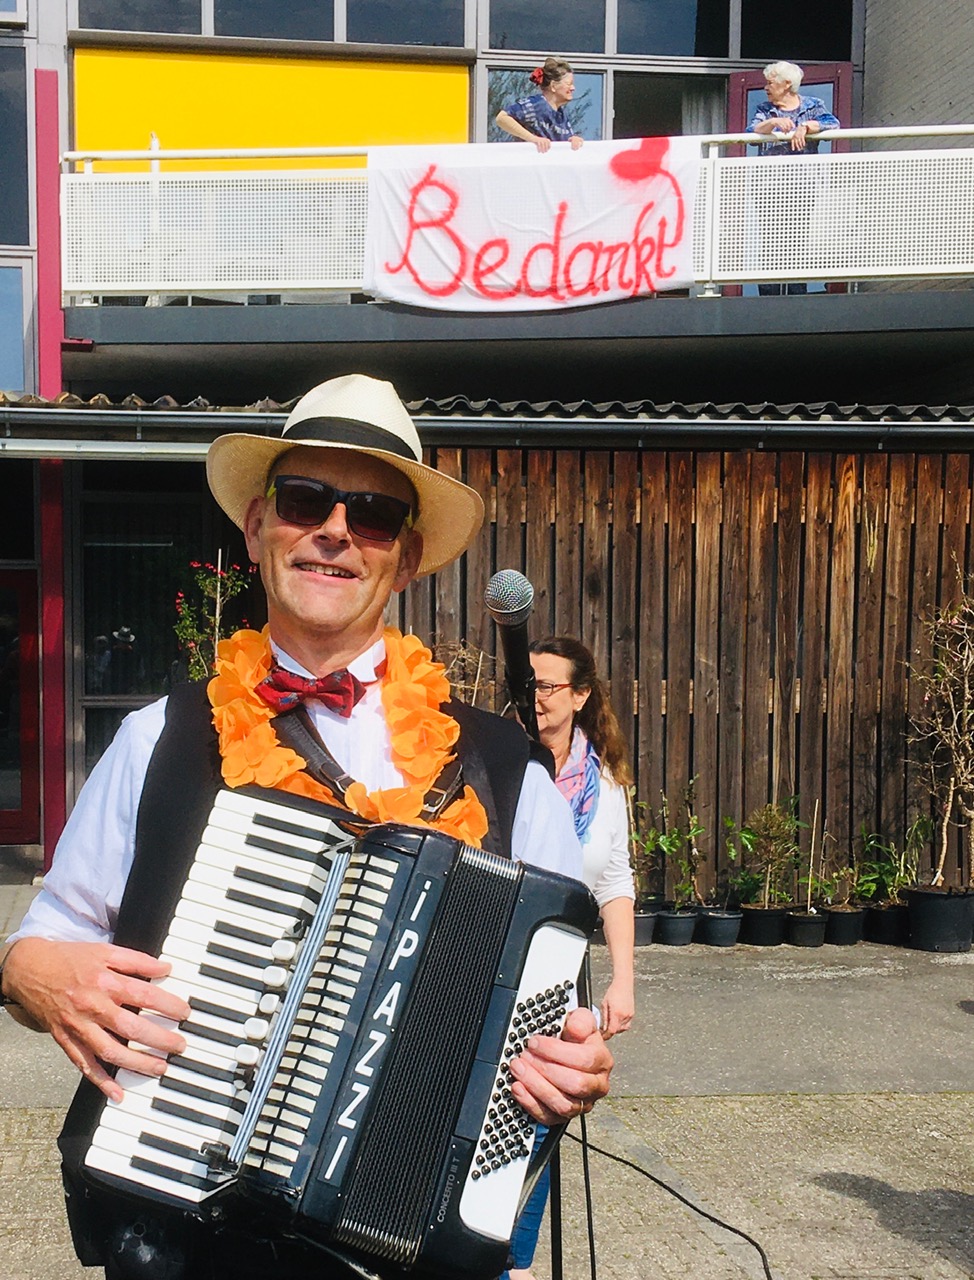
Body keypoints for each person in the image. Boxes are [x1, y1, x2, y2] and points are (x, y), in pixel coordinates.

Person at [0, 374, 613, 1280]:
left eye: (370, 514)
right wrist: (29, 971)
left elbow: (566, 1026)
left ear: (404, 561)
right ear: (256, 531)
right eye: (304, 500)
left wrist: (578, 1066)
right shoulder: (156, 739)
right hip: (190, 1244)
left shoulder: (509, 771)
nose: (334, 530)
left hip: (418, 1246)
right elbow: (47, 939)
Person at [504, 637, 635, 1280]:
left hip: (559, 981)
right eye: (531, 683)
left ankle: (518, 1262)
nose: (539, 695)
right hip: (495, 965)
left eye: (552, 685)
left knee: (541, 1118)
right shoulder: (494, 765)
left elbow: (614, 884)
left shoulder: (604, 788)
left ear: (581, 697)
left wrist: (624, 980)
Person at [746, 60, 840, 295]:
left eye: (770, 83)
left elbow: (833, 123)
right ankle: (769, 295)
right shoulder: (765, 109)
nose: (766, 88)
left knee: (797, 242)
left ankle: (796, 293)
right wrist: (773, 122)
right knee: (769, 243)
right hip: (770, 187)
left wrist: (806, 127)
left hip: (801, 186)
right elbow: (751, 132)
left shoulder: (812, 105)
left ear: (787, 84)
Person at [495, 57, 584, 153]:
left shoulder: (562, 115)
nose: (573, 88)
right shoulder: (536, 105)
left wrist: (573, 140)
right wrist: (533, 139)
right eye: (569, 84)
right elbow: (502, 118)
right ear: (553, 86)